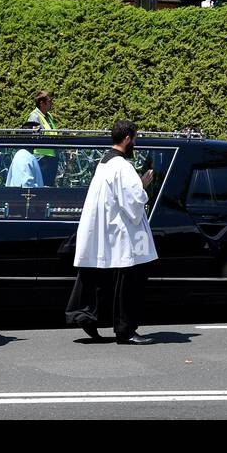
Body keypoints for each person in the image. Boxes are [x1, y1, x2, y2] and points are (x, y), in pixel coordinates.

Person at [65, 120, 157, 345]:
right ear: (127, 139)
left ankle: (91, 317)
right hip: (123, 235)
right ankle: (125, 331)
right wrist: (144, 184)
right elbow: (133, 202)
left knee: (104, 280)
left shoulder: (104, 162)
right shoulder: (122, 167)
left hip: (108, 232)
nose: (135, 143)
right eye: (135, 138)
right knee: (128, 284)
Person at [26, 90, 60, 186]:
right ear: (41, 103)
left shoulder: (48, 116)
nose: (52, 104)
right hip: (41, 158)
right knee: (42, 186)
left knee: (49, 185)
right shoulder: (34, 116)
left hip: (51, 156)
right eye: (49, 101)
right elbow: (33, 137)